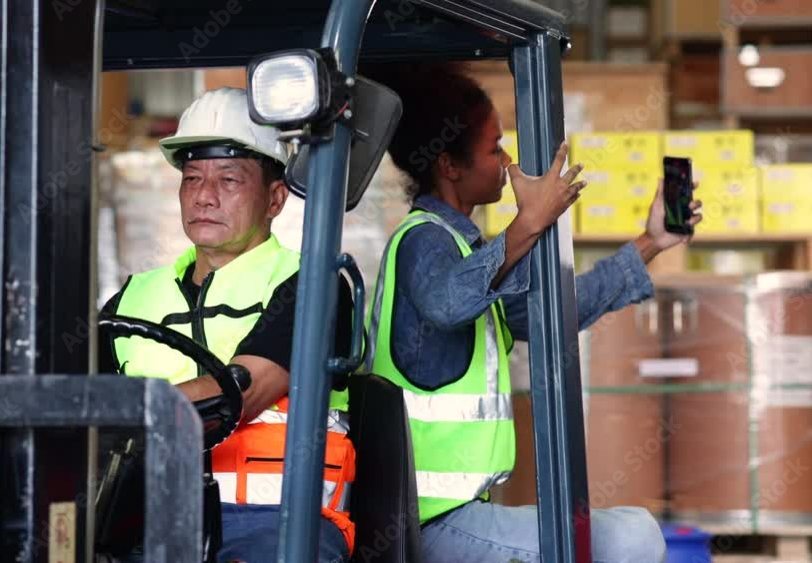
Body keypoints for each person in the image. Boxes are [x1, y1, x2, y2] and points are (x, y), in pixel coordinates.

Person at [361, 63, 702, 563]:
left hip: (459, 513)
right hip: (424, 522)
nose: (507, 160)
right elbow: (448, 302)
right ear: (449, 166)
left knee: (631, 530)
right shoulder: (423, 241)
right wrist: (529, 223)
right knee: (633, 538)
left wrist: (652, 241)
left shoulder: (464, 248)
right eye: (494, 147)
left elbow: (551, 313)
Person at [97, 87, 356, 563]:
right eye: (192, 177)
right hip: (154, 518)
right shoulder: (132, 298)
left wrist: (114, 413)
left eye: (229, 179)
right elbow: (64, 397)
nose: (204, 195)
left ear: (275, 199)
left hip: (278, 521)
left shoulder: (312, 286)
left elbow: (238, 394)